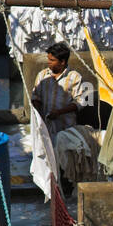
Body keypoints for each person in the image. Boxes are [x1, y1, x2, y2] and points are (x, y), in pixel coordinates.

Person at [31, 42, 98, 188]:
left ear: (62, 62)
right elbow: (35, 97)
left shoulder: (74, 77)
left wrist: (59, 113)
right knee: (48, 157)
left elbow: (80, 102)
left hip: (66, 127)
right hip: (46, 126)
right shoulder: (42, 76)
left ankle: (66, 188)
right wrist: (40, 114)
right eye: (48, 59)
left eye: (52, 60)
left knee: (66, 158)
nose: (48, 63)